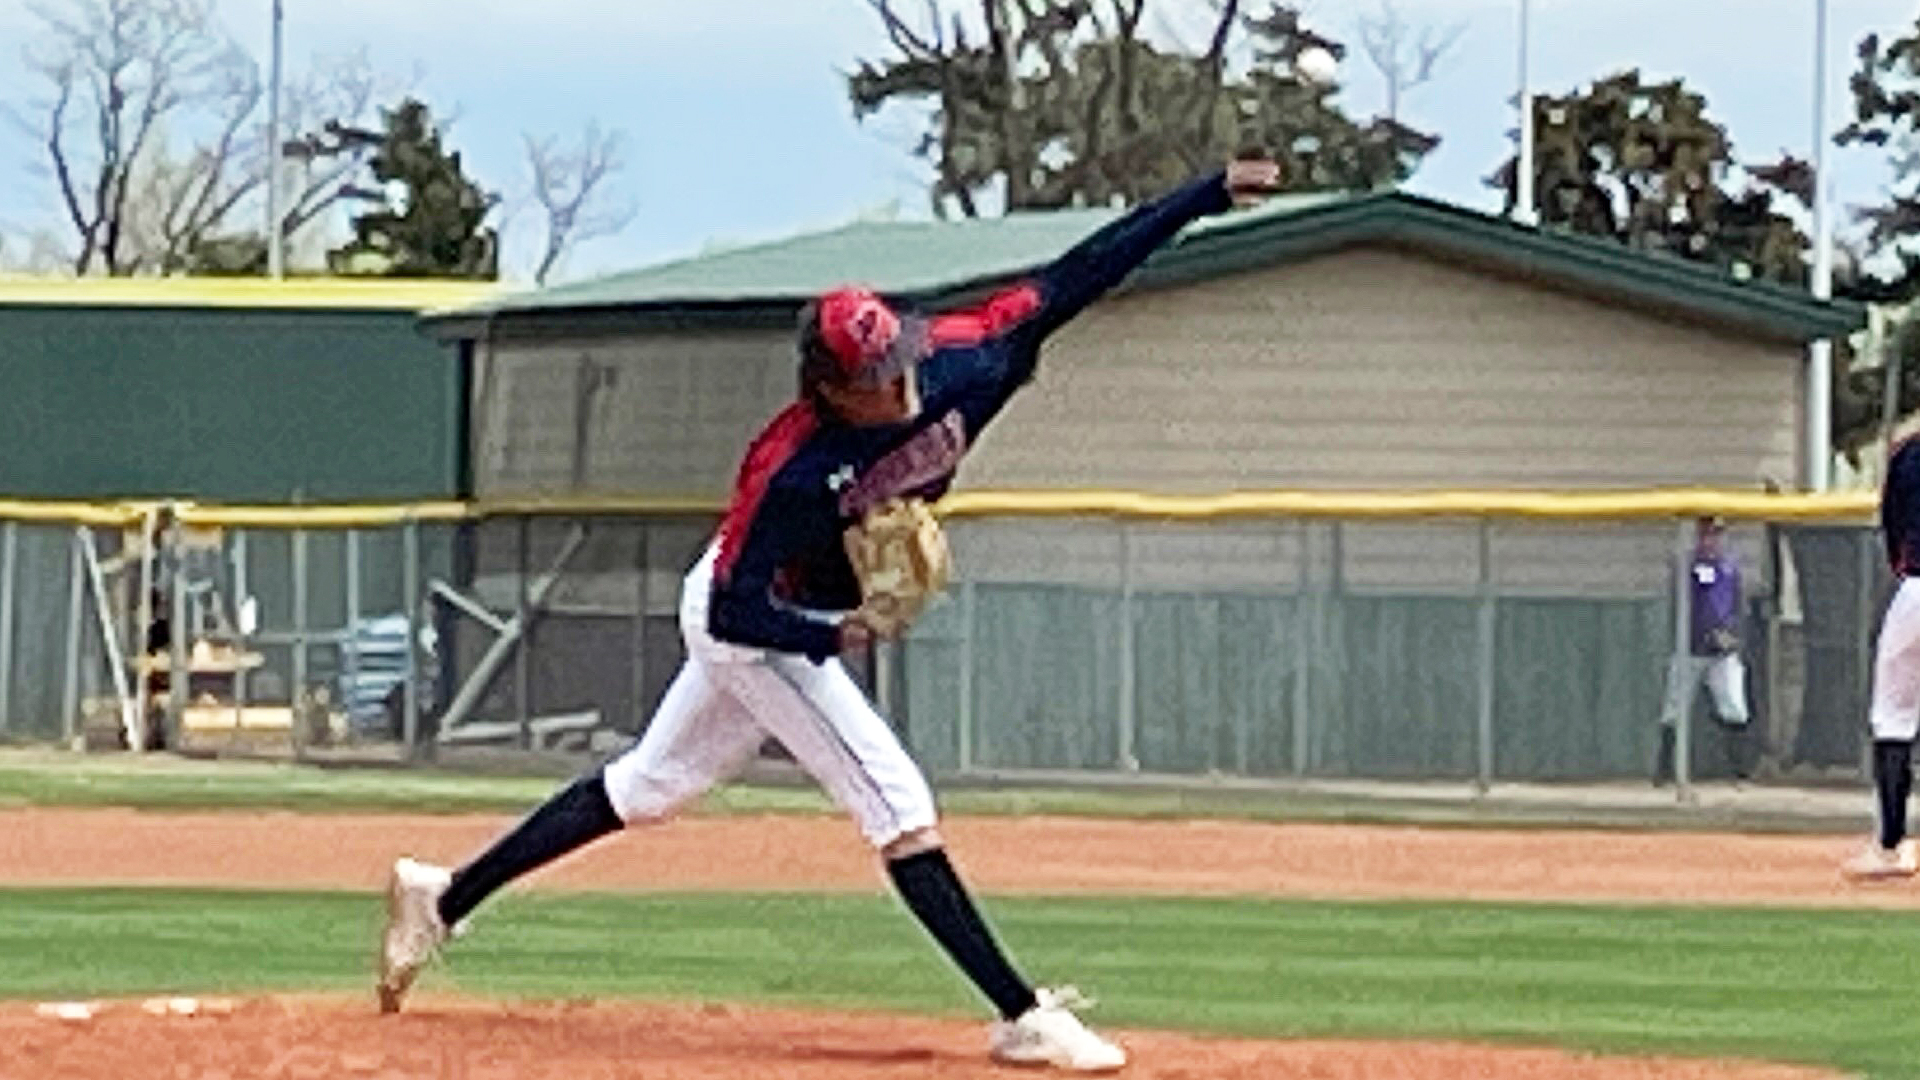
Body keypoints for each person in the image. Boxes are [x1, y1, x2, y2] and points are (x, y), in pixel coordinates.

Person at [376, 159, 1285, 1070]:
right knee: (897, 803)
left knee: (648, 790)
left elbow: (1079, 274)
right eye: (874, 376)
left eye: (896, 359)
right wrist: (831, 637)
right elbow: (734, 612)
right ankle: (1022, 1014)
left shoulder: (967, 358)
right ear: (827, 384)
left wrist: (1203, 194)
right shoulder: (792, 468)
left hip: (771, 614)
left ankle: (443, 897)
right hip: (759, 621)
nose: (896, 383)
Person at [1844, 435, 1920, 879]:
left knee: (1893, 715)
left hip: (1917, 588)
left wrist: (1900, 566)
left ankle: (1890, 847)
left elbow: (1891, 518)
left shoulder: (1910, 453)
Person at [1654, 516, 1751, 786]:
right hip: (1691, 647)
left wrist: (1734, 635)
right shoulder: (1688, 566)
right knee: (1674, 707)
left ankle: (1738, 771)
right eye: (1706, 535)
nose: (1711, 540)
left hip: (1722, 650)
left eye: (1715, 535)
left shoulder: (1730, 568)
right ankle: (1664, 771)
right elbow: (1682, 603)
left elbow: (1736, 606)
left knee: (1733, 707)